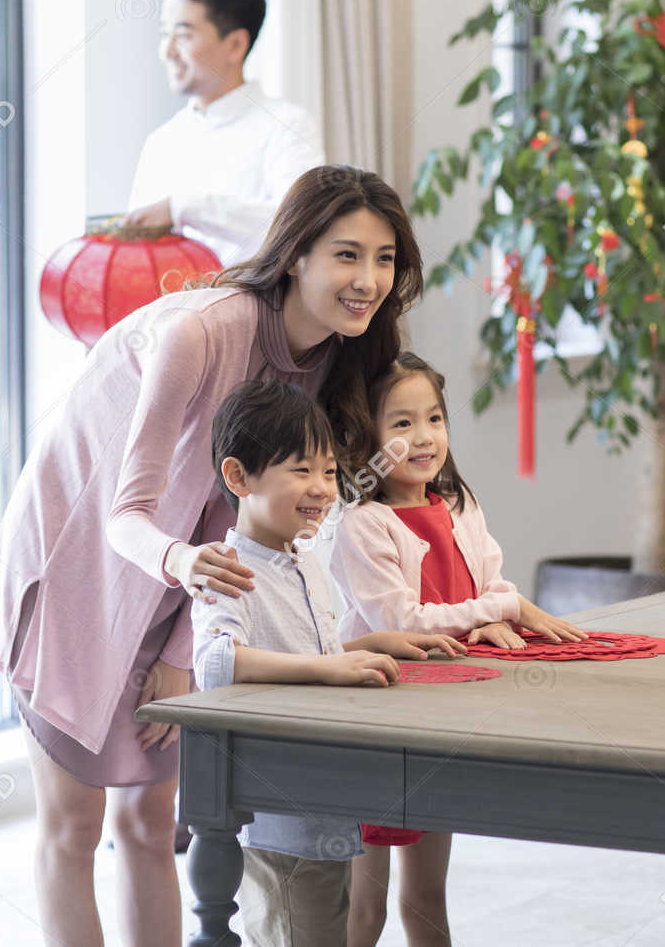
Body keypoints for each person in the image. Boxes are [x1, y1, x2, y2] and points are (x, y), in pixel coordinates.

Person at [0, 165, 424, 947]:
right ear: (296, 256)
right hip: (80, 564)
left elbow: (252, 522)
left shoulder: (331, 361)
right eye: (347, 255)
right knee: (74, 825)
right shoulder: (200, 333)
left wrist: (188, 642)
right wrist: (184, 570)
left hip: (180, 578)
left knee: (155, 820)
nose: (369, 280)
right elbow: (126, 512)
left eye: (385, 259)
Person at [193, 378, 464, 947]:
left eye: (328, 471)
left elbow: (313, 650)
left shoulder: (301, 556)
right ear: (239, 477)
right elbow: (216, 663)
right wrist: (326, 669)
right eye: (301, 471)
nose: (322, 488)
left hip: (323, 802)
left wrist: (368, 646)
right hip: (281, 814)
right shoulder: (227, 568)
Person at [327, 352, 584, 947]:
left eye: (435, 418)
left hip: (446, 721)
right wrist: (500, 610)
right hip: (384, 721)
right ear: (363, 435)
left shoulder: (460, 505)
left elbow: (490, 582)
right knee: (365, 907)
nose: (424, 437)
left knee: (427, 896)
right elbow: (403, 622)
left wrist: (495, 611)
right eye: (401, 424)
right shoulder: (363, 523)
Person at [124, 0, 323, 265]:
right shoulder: (161, 141)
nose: (168, 51)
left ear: (235, 45)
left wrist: (184, 208)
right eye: (165, 34)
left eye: (184, 36)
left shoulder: (285, 126)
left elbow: (300, 227)